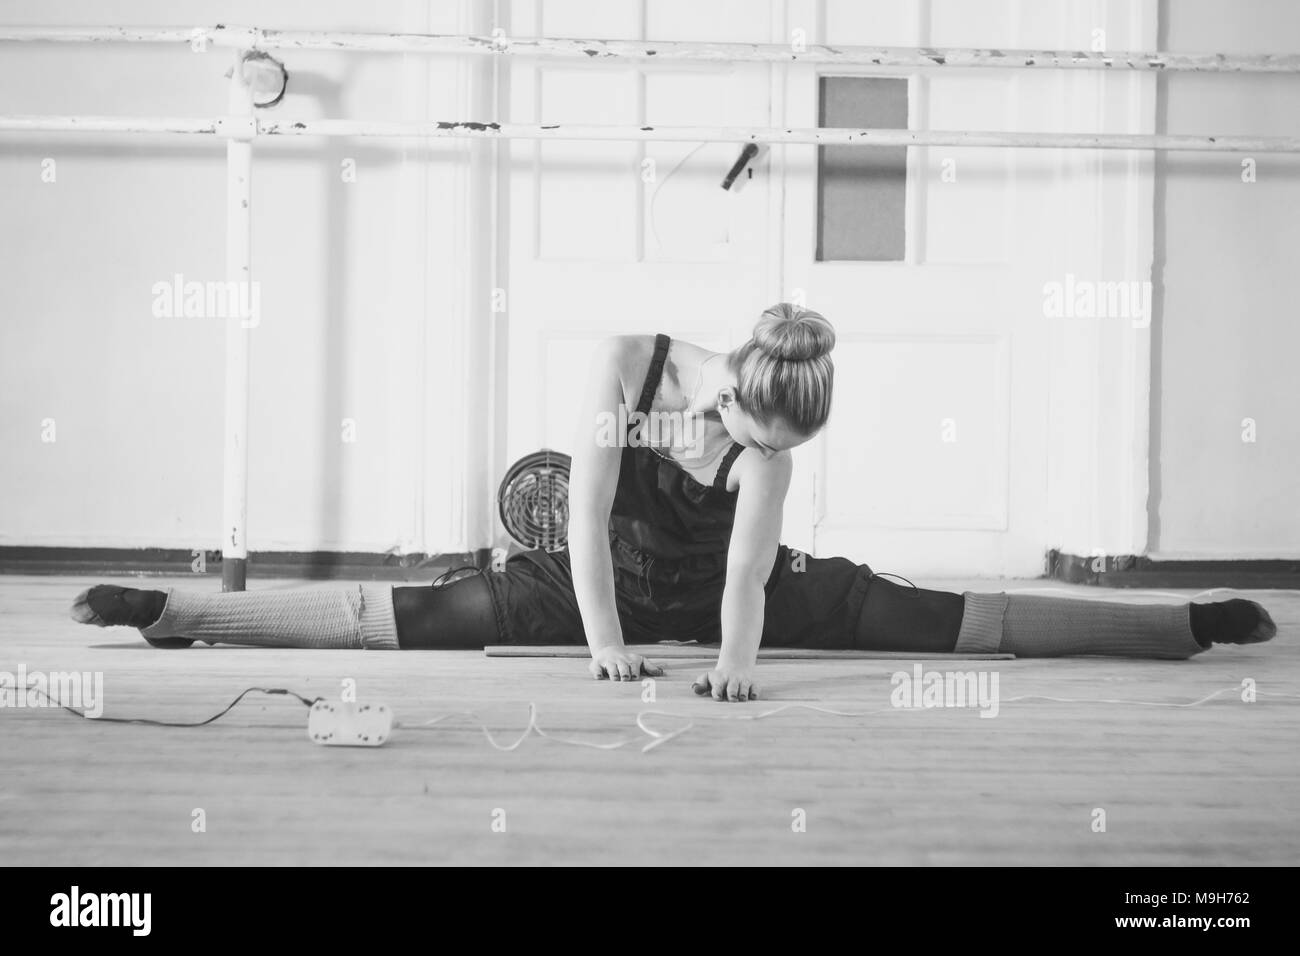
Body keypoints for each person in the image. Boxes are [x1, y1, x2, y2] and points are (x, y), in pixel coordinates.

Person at [72, 304, 1276, 702]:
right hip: (583, 577)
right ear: (735, 386)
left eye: (776, 451)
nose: (749, 454)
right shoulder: (627, 366)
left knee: (935, 614)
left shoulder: (772, 459)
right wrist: (601, 642)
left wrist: (735, 664)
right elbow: (587, 513)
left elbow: (748, 579)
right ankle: (169, 611)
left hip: (712, 592)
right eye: (750, 434)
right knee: (418, 612)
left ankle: (1181, 623)